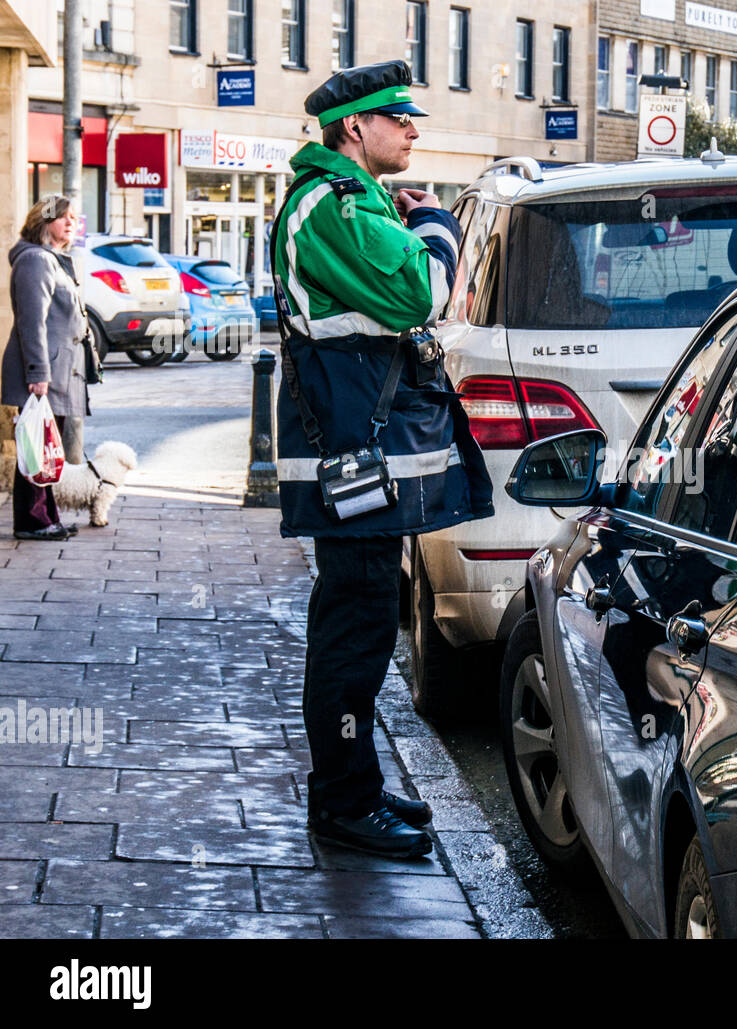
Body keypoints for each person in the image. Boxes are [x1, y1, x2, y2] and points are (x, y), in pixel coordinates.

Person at [272, 59, 493, 858]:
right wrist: (436, 226)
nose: (412, 128)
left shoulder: (351, 201)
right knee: (354, 632)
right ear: (355, 128)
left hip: (366, 462)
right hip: (353, 465)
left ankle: (353, 786)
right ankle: (341, 803)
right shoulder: (329, 206)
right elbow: (421, 294)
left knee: (364, 627)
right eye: (398, 117)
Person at [1, 195, 91, 541]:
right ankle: (31, 521)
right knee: (36, 448)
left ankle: (45, 516)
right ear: (44, 220)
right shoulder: (36, 260)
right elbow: (31, 322)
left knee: (45, 448)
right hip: (44, 375)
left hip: (59, 373)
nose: (71, 222)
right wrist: (38, 373)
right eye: (63, 217)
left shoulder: (54, 259)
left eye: (74, 218)